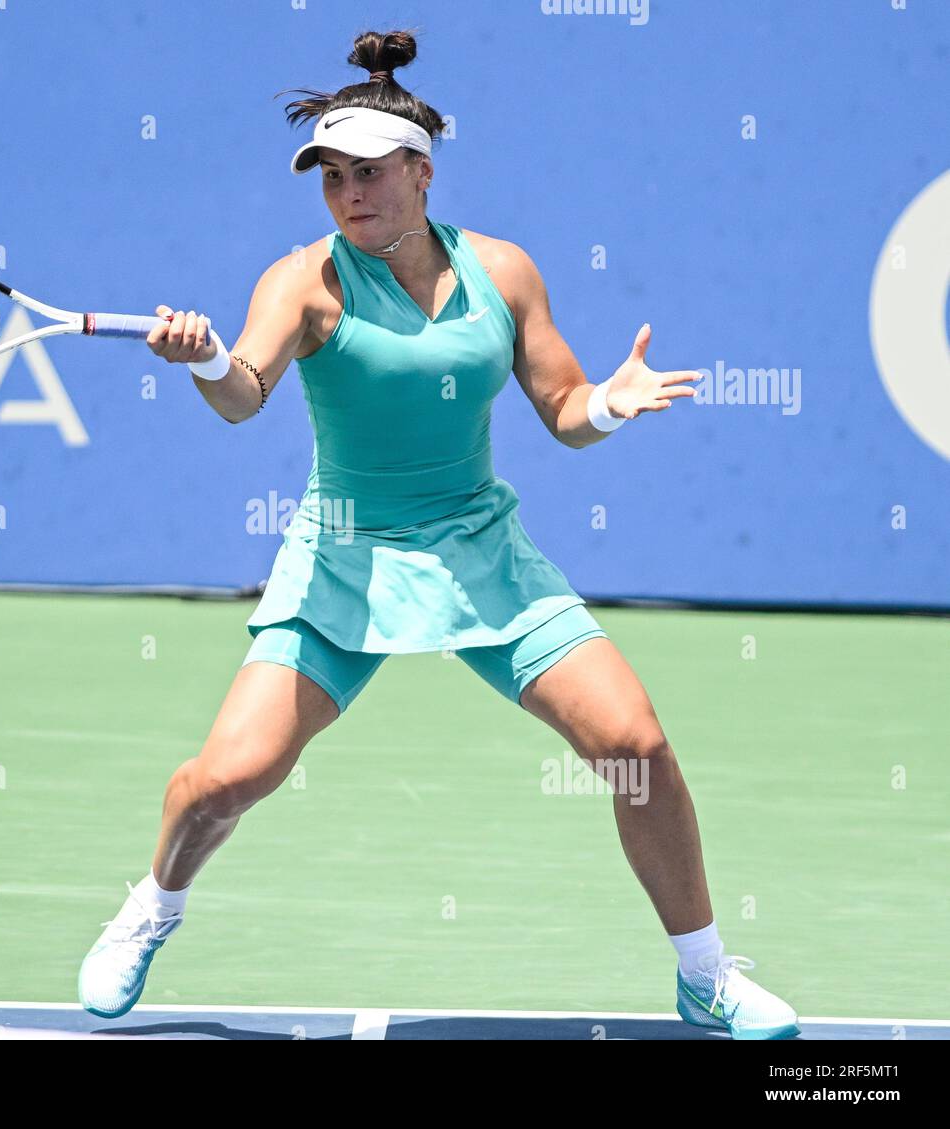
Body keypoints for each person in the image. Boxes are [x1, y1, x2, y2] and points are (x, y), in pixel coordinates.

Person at [78, 28, 799, 1040]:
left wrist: (608, 405)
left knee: (636, 745)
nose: (346, 195)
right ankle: (150, 908)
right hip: (343, 559)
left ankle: (705, 974)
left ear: (421, 173)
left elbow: (562, 410)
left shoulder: (501, 272)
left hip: (479, 554)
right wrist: (201, 361)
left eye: (367, 173)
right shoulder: (303, 281)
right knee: (225, 781)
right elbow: (242, 395)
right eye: (329, 178)